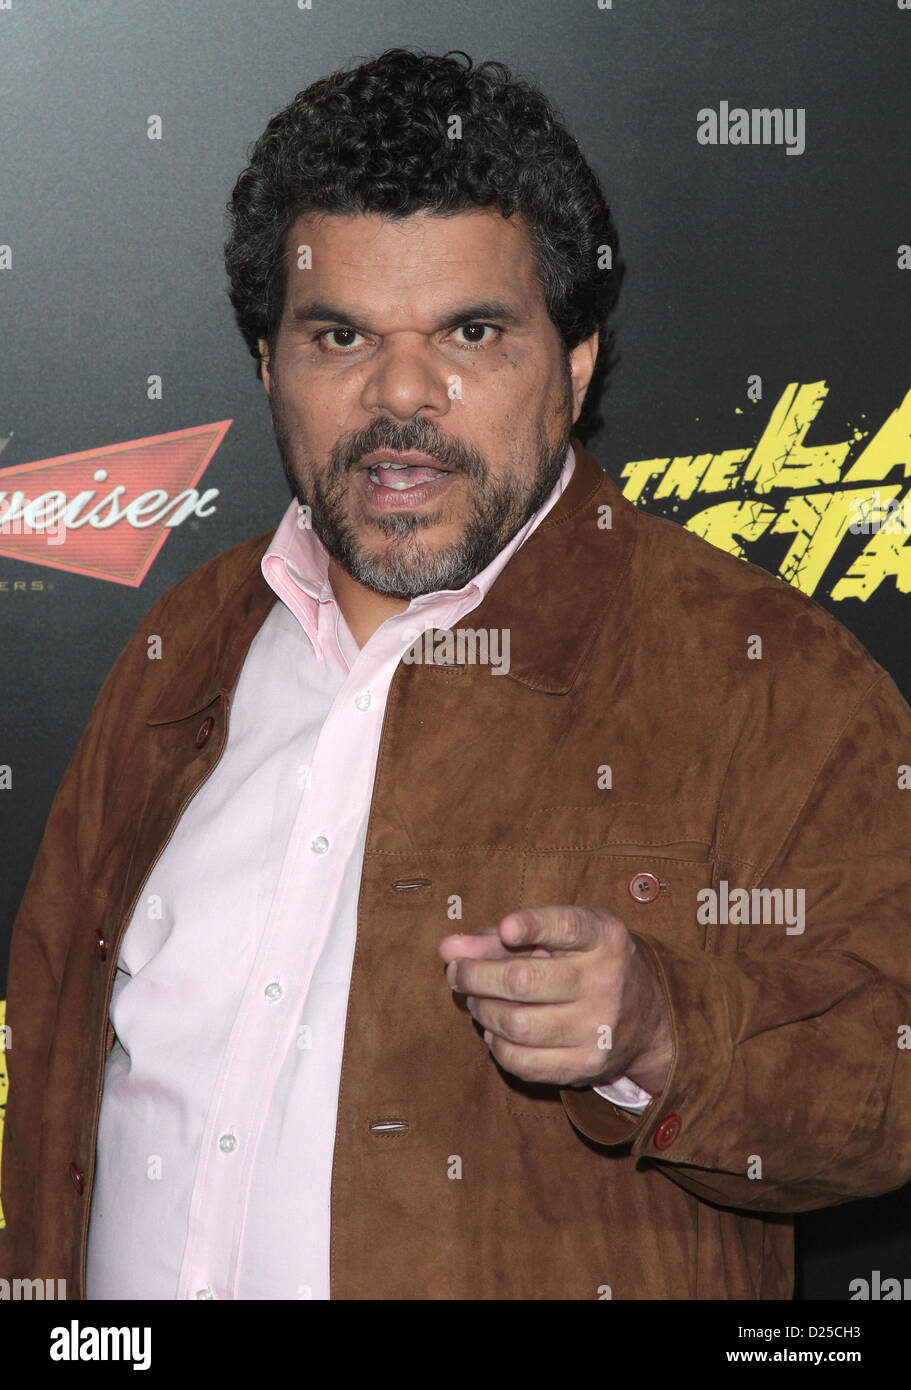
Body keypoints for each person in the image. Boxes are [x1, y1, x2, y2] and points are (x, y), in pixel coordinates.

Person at [3, 47, 911, 1301]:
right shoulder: (183, 645)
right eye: (338, 336)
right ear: (267, 362)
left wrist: (658, 1030)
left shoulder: (766, 677)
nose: (399, 395)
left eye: (469, 333)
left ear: (576, 360)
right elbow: (50, 1065)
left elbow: (888, 1081)